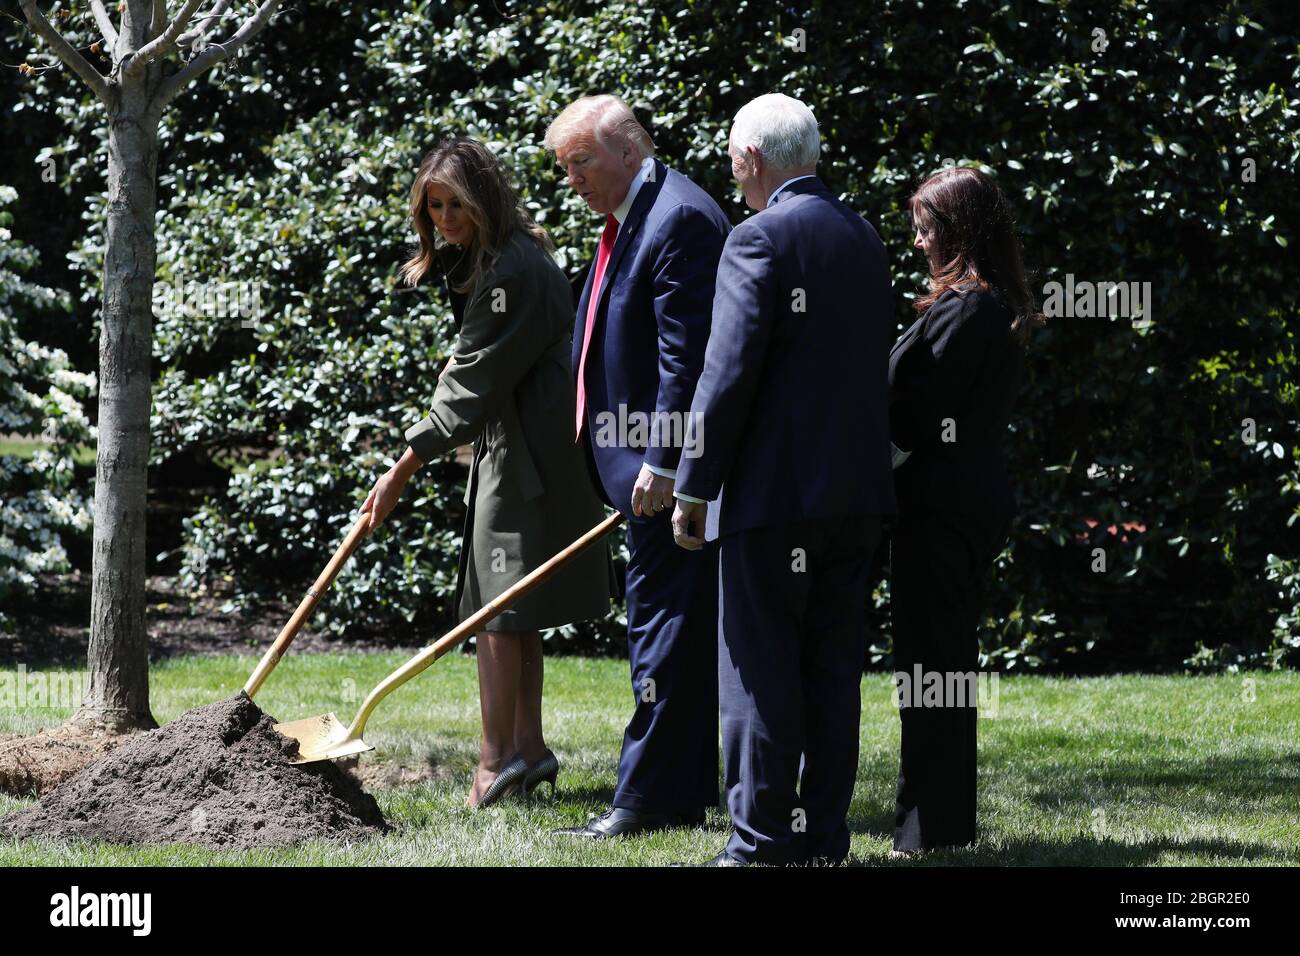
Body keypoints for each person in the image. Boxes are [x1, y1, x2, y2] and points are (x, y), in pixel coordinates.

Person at [672, 93, 897, 866]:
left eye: (733, 159)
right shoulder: (864, 237)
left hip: (775, 500)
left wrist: (693, 485)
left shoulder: (757, 238)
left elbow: (725, 375)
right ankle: (824, 839)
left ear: (751, 160)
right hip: (858, 498)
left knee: (760, 673)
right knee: (833, 672)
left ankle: (763, 842)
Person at [360, 136, 612, 809]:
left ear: (484, 198)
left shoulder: (512, 271)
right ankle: (529, 752)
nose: (444, 218)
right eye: (434, 207)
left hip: (527, 447)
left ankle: (494, 762)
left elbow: (470, 385)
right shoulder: (500, 259)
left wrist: (402, 469)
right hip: (527, 438)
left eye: (455, 204)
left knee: (497, 604)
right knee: (515, 601)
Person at [543, 95, 731, 839]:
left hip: (664, 479)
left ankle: (648, 799)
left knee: (662, 632)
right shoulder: (636, 213)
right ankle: (676, 793)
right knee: (667, 630)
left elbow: (689, 361)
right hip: (638, 475)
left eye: (581, 162)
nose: (573, 180)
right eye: (564, 168)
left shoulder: (678, 216)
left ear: (627, 149)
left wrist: (662, 462)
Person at [887, 165, 1042, 854]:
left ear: (957, 231)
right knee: (938, 664)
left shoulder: (968, 309)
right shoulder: (991, 303)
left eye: (927, 228)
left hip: (942, 508)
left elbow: (918, 414)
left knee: (934, 667)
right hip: (963, 501)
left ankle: (934, 827)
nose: (919, 243)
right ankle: (936, 821)